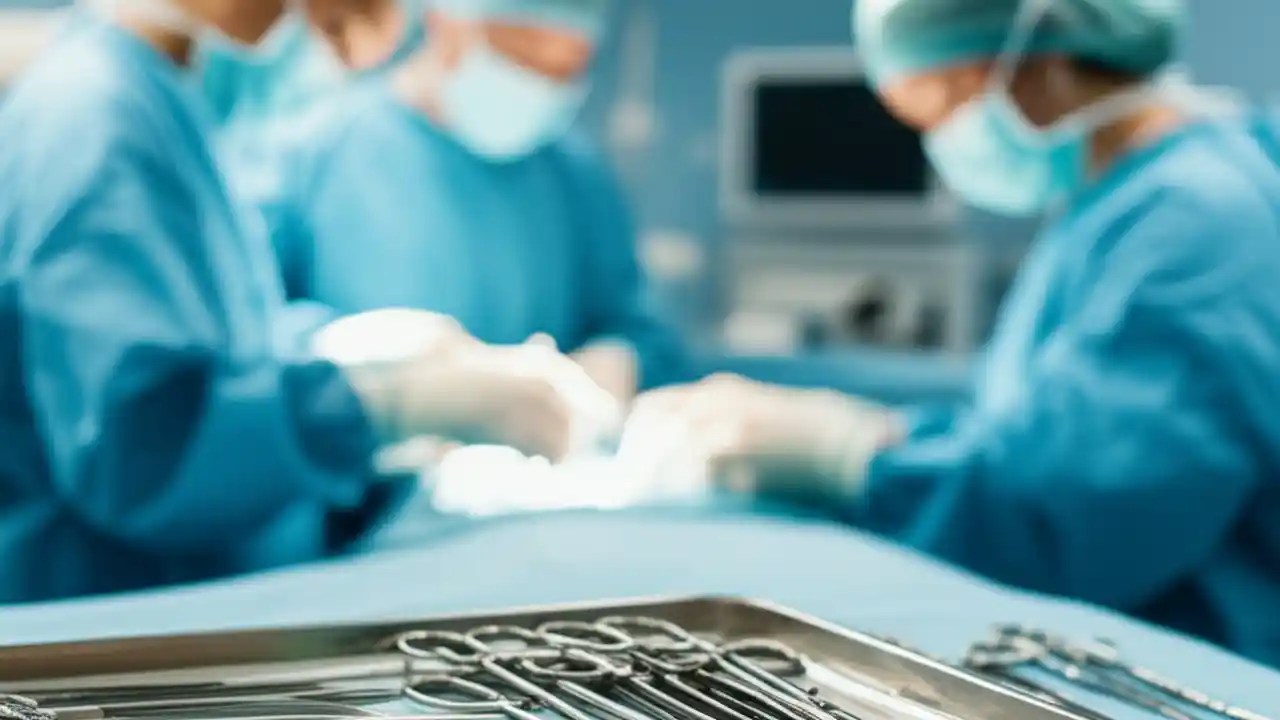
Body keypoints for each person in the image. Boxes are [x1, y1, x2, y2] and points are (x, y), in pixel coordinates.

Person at [621, 0, 1280, 665]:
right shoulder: (1134, 196)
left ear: (1042, 59)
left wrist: (852, 460)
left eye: (941, 103)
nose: (938, 140)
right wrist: (888, 437)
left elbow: (1087, 509)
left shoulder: (1198, 224)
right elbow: (1045, 433)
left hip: (1203, 664)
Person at [0, 0, 612, 603]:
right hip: (99, 616)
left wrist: (329, 351)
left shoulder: (157, 102)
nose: (348, 52)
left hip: (176, 599)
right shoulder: (99, 119)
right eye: (333, 19)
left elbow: (208, 334)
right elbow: (142, 450)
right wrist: (379, 403)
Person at [269, 0, 683, 406]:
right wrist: (374, 374)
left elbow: (643, 332)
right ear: (444, 22)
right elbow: (252, 332)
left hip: (537, 448)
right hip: (350, 445)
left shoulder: (575, 177)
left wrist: (619, 362)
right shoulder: (312, 153)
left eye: (565, 65)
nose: (538, 79)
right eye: (522, 49)